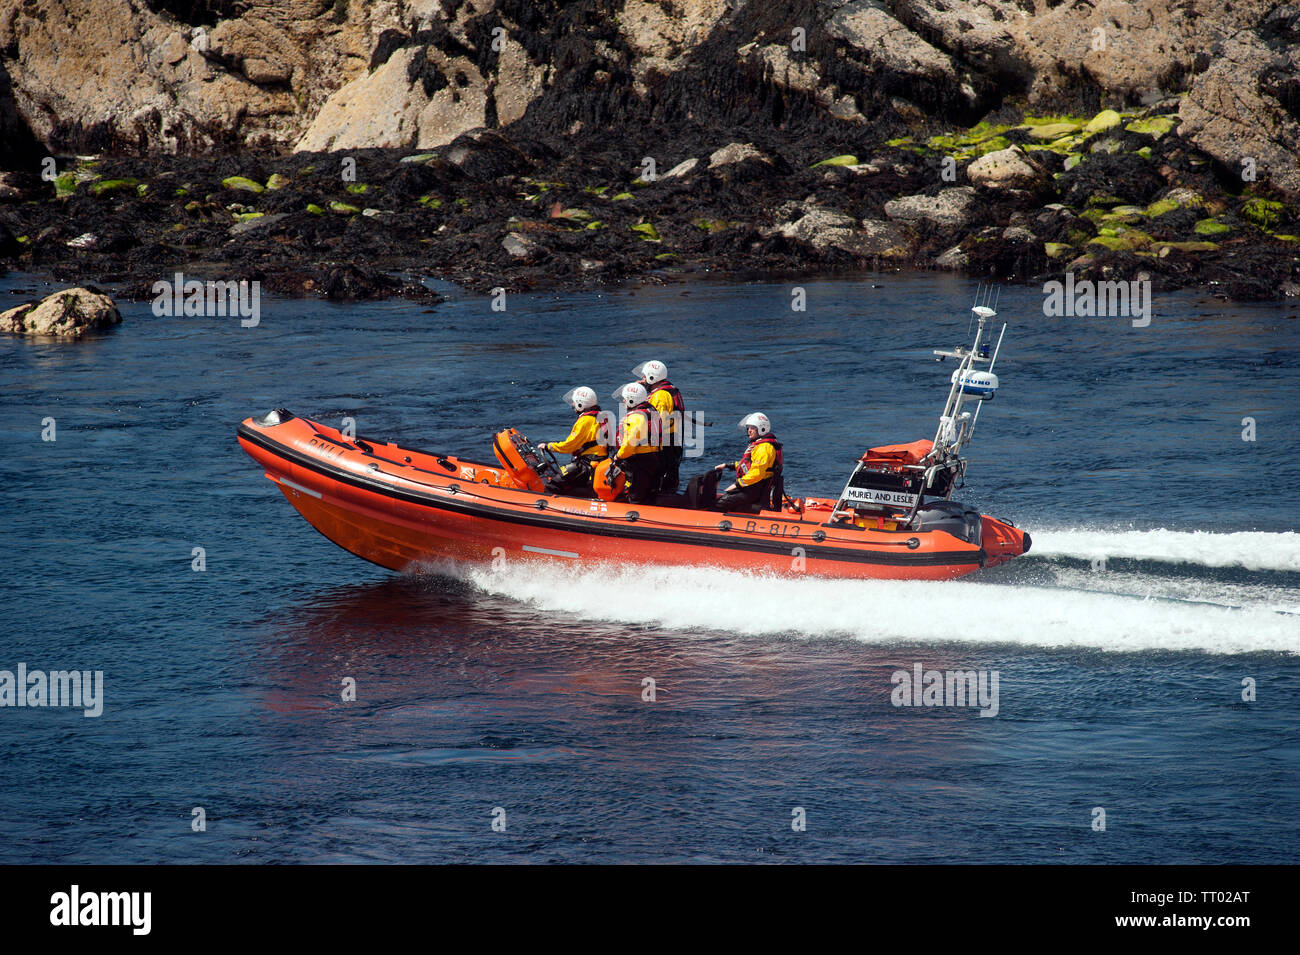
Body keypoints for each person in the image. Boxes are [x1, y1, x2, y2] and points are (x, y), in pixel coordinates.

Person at [538, 386, 609, 497]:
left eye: (574, 403)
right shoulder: (602, 417)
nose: (572, 405)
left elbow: (569, 446)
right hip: (598, 461)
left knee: (552, 484)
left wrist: (549, 446)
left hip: (586, 465)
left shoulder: (585, 421)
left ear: (581, 404)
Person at [706, 412, 783, 512]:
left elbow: (756, 474)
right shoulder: (760, 445)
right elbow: (749, 465)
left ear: (762, 428)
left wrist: (737, 484)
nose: (749, 431)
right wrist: (728, 465)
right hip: (752, 488)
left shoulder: (764, 448)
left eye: (752, 428)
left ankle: (759, 509)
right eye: (748, 428)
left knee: (718, 504)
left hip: (754, 489)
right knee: (731, 503)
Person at [633, 359, 687, 492]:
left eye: (644, 377)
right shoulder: (665, 391)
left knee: (660, 480)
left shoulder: (659, 396)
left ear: (652, 377)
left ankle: (661, 501)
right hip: (670, 443)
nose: (642, 379)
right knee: (668, 477)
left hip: (664, 446)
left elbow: (657, 424)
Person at [607, 382, 664, 504]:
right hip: (654, 458)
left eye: (625, 399)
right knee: (648, 493)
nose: (623, 401)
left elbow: (629, 445)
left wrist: (618, 456)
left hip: (640, 462)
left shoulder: (635, 417)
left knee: (636, 496)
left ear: (632, 400)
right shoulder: (651, 411)